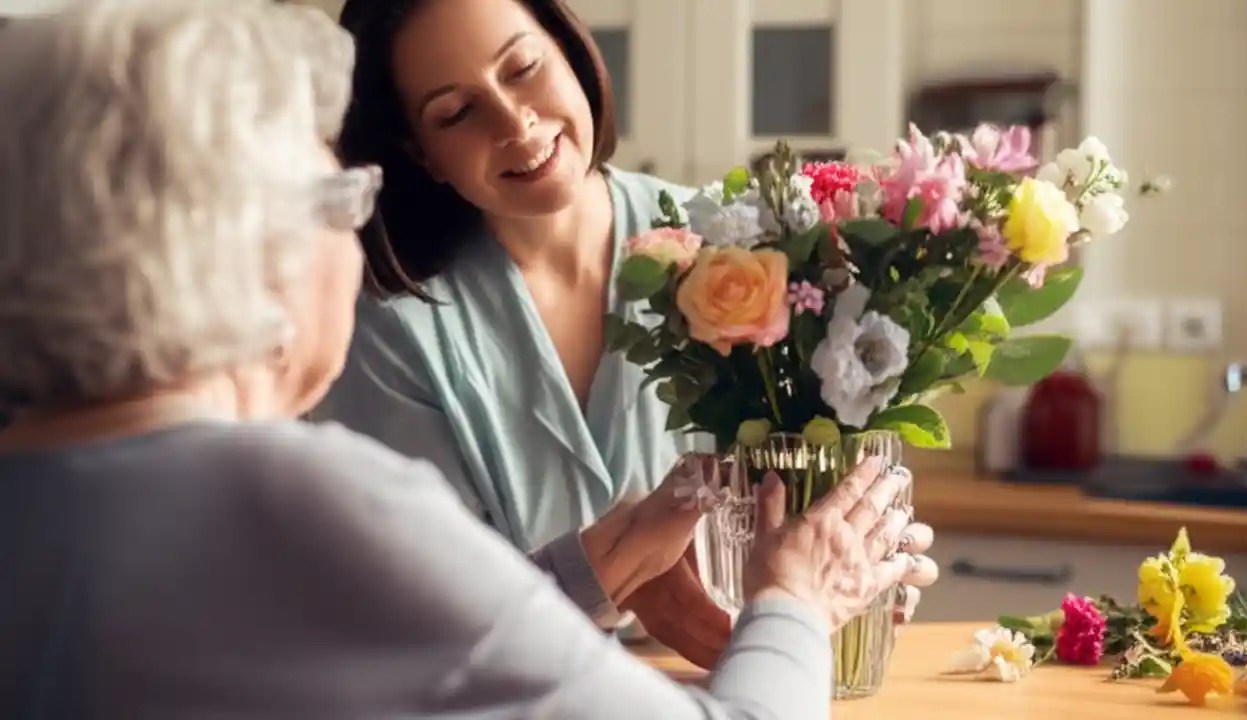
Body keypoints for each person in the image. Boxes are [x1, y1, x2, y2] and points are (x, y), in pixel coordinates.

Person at [0, 1, 934, 717]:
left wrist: (597, 566)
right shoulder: (310, 500)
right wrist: (798, 601)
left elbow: (415, 648)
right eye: (338, 191)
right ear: (242, 247)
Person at [312, 0, 937, 668]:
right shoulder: (386, 325)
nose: (515, 123)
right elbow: (419, 627)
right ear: (421, 152)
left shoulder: (740, 250)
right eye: (456, 112)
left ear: (569, 52)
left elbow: (798, 501)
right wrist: (616, 572)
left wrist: (858, 560)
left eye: (523, 67)